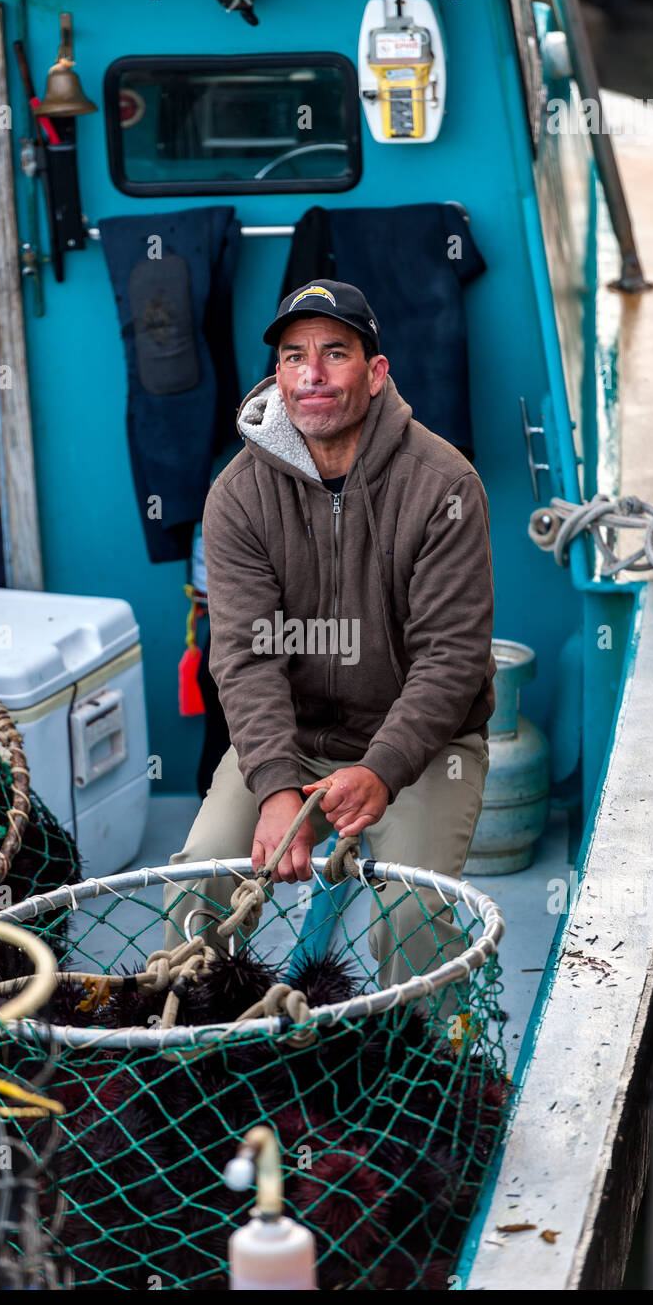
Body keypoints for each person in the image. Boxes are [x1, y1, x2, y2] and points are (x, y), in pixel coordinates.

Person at [164, 279, 496, 1002]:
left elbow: (452, 657)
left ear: (375, 375)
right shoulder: (239, 494)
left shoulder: (443, 483)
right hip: (293, 739)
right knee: (197, 887)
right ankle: (188, 1056)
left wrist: (381, 770)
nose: (311, 374)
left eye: (334, 353)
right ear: (277, 374)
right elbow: (247, 658)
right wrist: (277, 786)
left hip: (421, 745)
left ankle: (425, 1079)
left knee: (415, 915)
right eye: (293, 357)